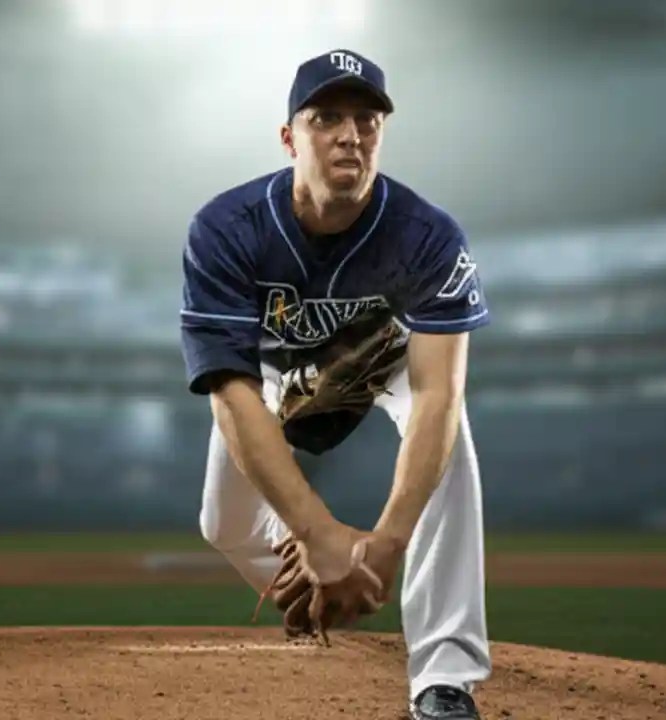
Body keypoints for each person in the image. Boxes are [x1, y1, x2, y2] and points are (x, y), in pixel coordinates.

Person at [178, 48, 492, 720]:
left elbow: (438, 394)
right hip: (267, 366)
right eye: (327, 117)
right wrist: (314, 529)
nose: (351, 133)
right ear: (290, 138)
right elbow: (230, 392)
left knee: (453, 443)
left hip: (384, 354)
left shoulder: (428, 237)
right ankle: (321, 588)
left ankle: (445, 674)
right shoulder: (226, 229)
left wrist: (385, 545)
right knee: (223, 522)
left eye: (367, 119)